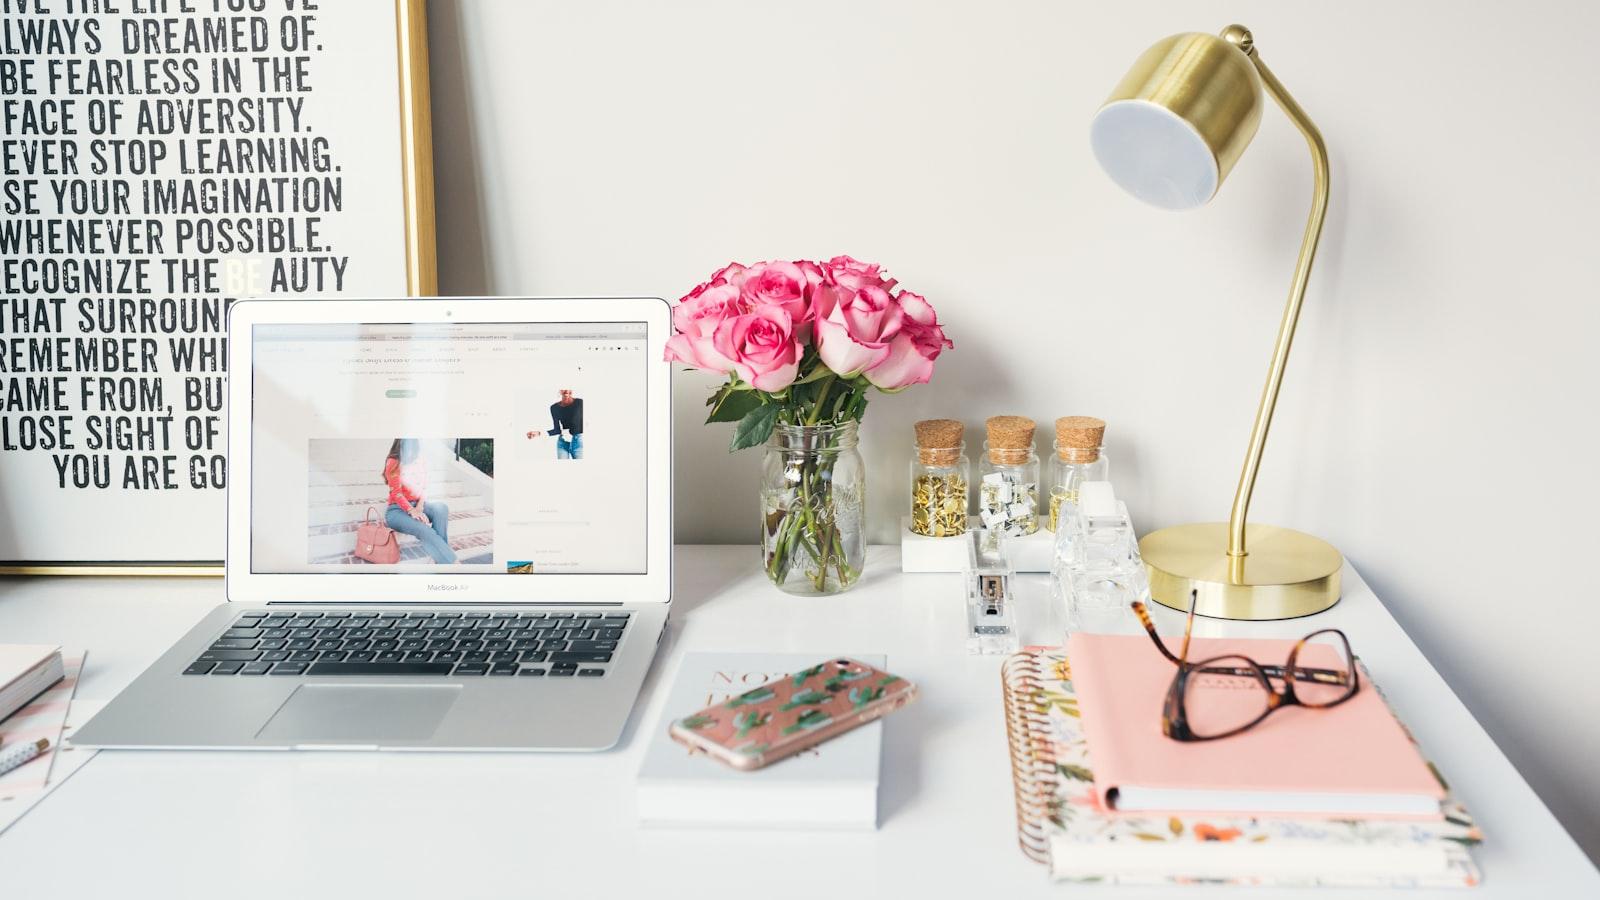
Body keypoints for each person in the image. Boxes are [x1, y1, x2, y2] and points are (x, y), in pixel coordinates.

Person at [381, 438, 457, 564]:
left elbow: (424, 487)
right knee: (424, 529)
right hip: (396, 510)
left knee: (441, 508)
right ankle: (452, 563)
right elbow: (397, 493)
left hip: (417, 504)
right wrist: (412, 510)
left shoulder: (420, 460)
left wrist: (419, 507)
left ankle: (442, 558)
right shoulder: (393, 461)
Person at [526, 388, 584, 459]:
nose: (566, 391)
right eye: (563, 388)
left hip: (579, 442)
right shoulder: (554, 407)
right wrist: (538, 433)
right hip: (563, 442)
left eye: (569, 388)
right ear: (560, 390)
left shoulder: (580, 403)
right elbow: (557, 430)